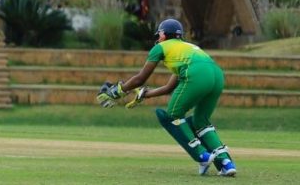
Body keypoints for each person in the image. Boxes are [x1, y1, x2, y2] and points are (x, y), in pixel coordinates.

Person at [96, 18, 237, 177]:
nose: (158, 37)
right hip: (217, 75)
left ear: (164, 34)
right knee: (200, 121)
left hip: (197, 73)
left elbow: (141, 78)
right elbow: (170, 87)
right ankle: (226, 163)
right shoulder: (184, 49)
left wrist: (119, 91)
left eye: (160, 33)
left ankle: (202, 155)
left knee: (173, 115)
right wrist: (146, 94)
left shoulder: (161, 47)